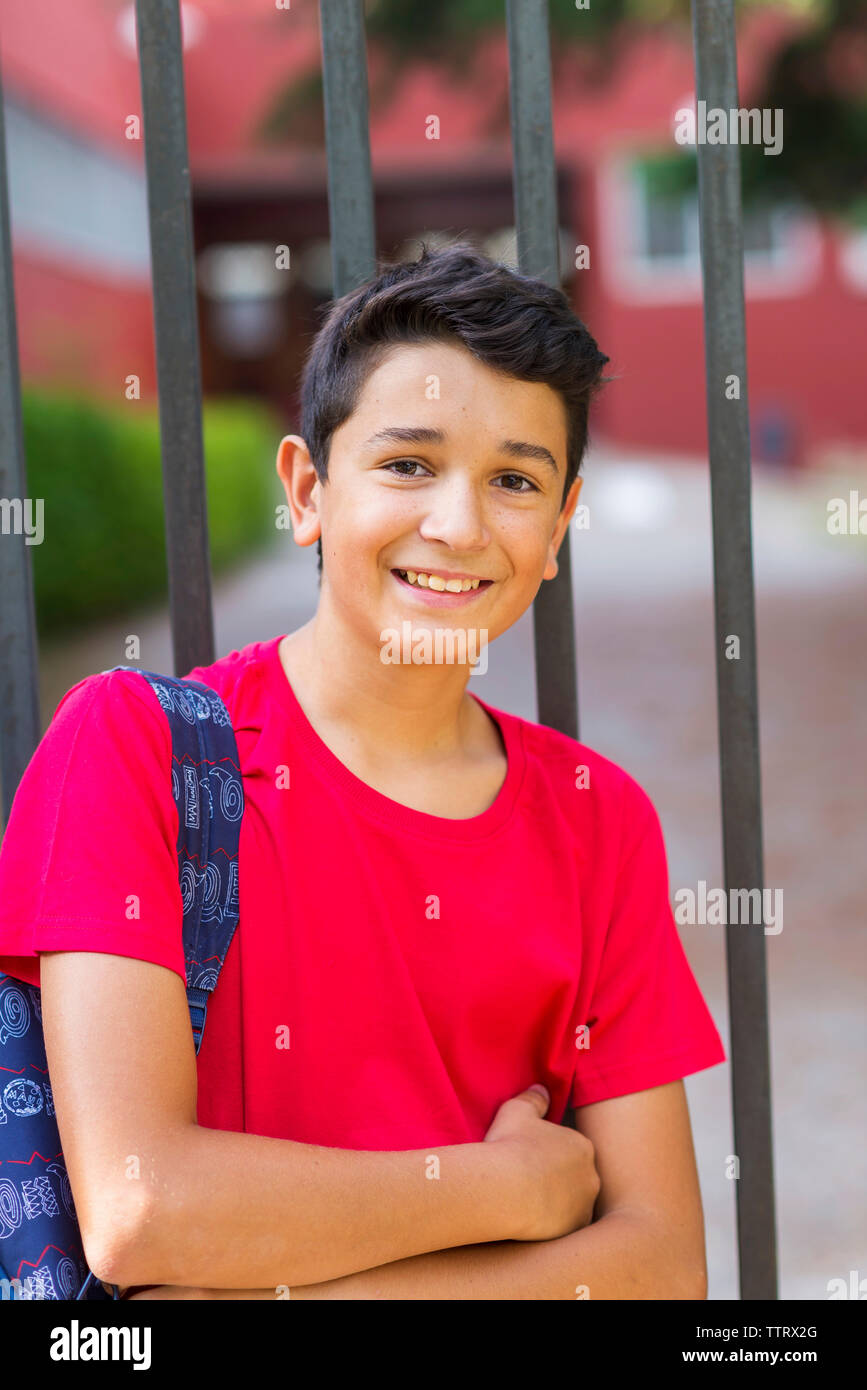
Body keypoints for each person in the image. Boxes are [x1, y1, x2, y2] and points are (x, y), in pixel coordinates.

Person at [0, 242, 725, 1300]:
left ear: (560, 527)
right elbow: (143, 1207)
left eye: (515, 480)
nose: (458, 525)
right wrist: (504, 1190)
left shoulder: (597, 818)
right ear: (307, 488)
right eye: (408, 464)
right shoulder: (133, 750)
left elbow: (662, 1266)